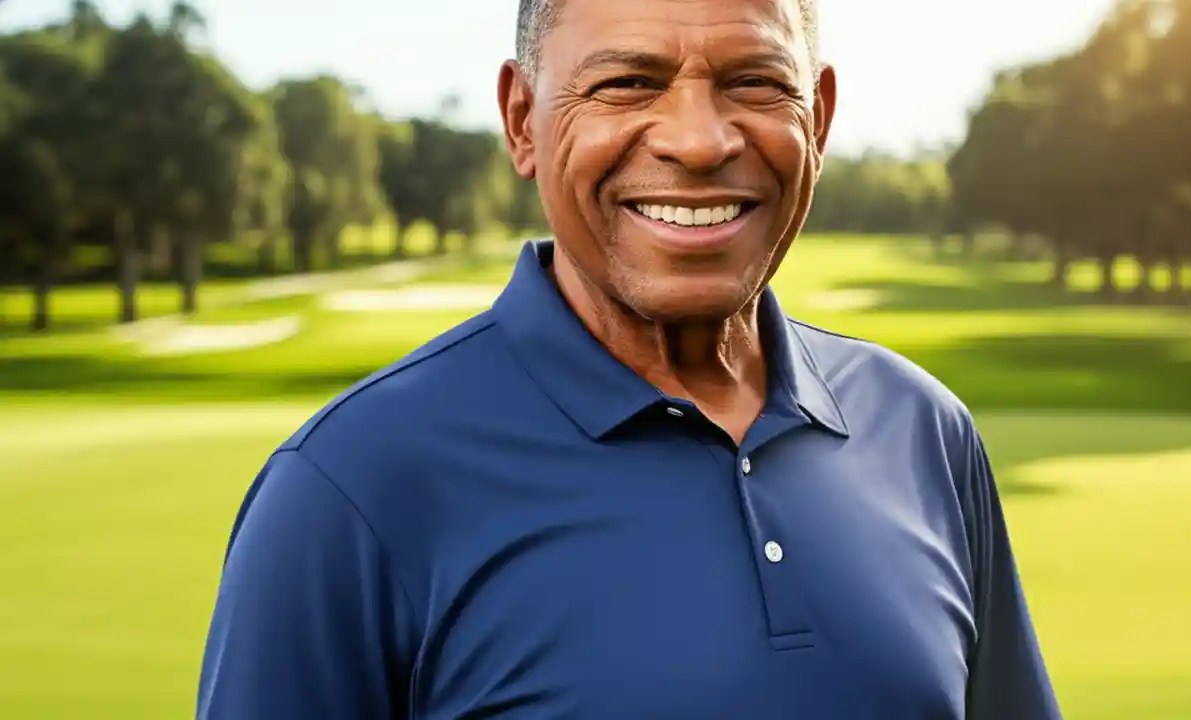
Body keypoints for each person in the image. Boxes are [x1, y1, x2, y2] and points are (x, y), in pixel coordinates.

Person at [196, 0, 1062, 717]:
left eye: (755, 82)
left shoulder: (923, 430)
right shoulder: (349, 485)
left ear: (820, 118)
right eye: (627, 83)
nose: (699, 141)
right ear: (522, 121)